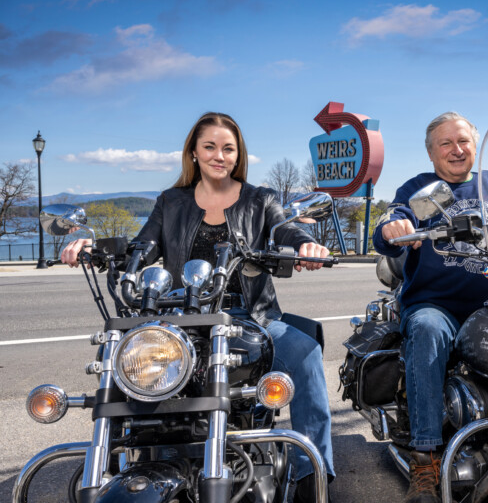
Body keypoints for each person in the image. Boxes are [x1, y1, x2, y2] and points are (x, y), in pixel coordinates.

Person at [61, 112, 334, 503]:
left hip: (251, 316)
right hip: (184, 317)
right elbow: (143, 247)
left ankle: (314, 476)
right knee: (118, 352)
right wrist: (93, 247)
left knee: (306, 354)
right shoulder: (171, 202)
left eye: (228, 148)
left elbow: (284, 230)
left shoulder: (261, 199)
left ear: (238, 155)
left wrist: (306, 242)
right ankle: (118, 458)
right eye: (210, 147)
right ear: (193, 151)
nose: (219, 155)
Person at [372, 112, 488, 503]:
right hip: (434, 304)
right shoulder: (420, 188)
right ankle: (425, 458)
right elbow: (393, 221)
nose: (456, 150)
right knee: (427, 329)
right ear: (431, 153)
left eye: (463, 141)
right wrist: (393, 227)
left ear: (475, 146)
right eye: (446, 143)